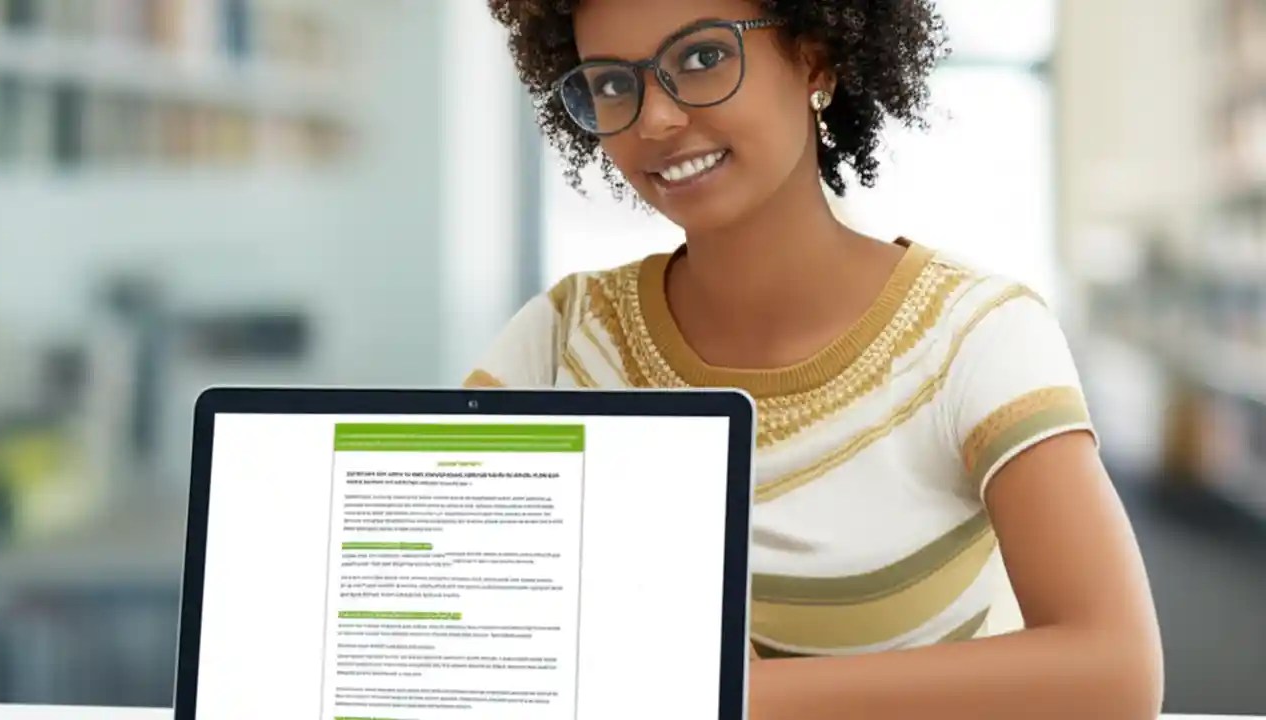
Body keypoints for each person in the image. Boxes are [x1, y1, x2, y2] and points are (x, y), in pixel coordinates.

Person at [470, 0, 1165, 717]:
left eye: (703, 58)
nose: (656, 120)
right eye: (614, 83)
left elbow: (1115, 672)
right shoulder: (563, 340)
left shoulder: (974, 335)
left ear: (815, 60)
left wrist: (718, 698)